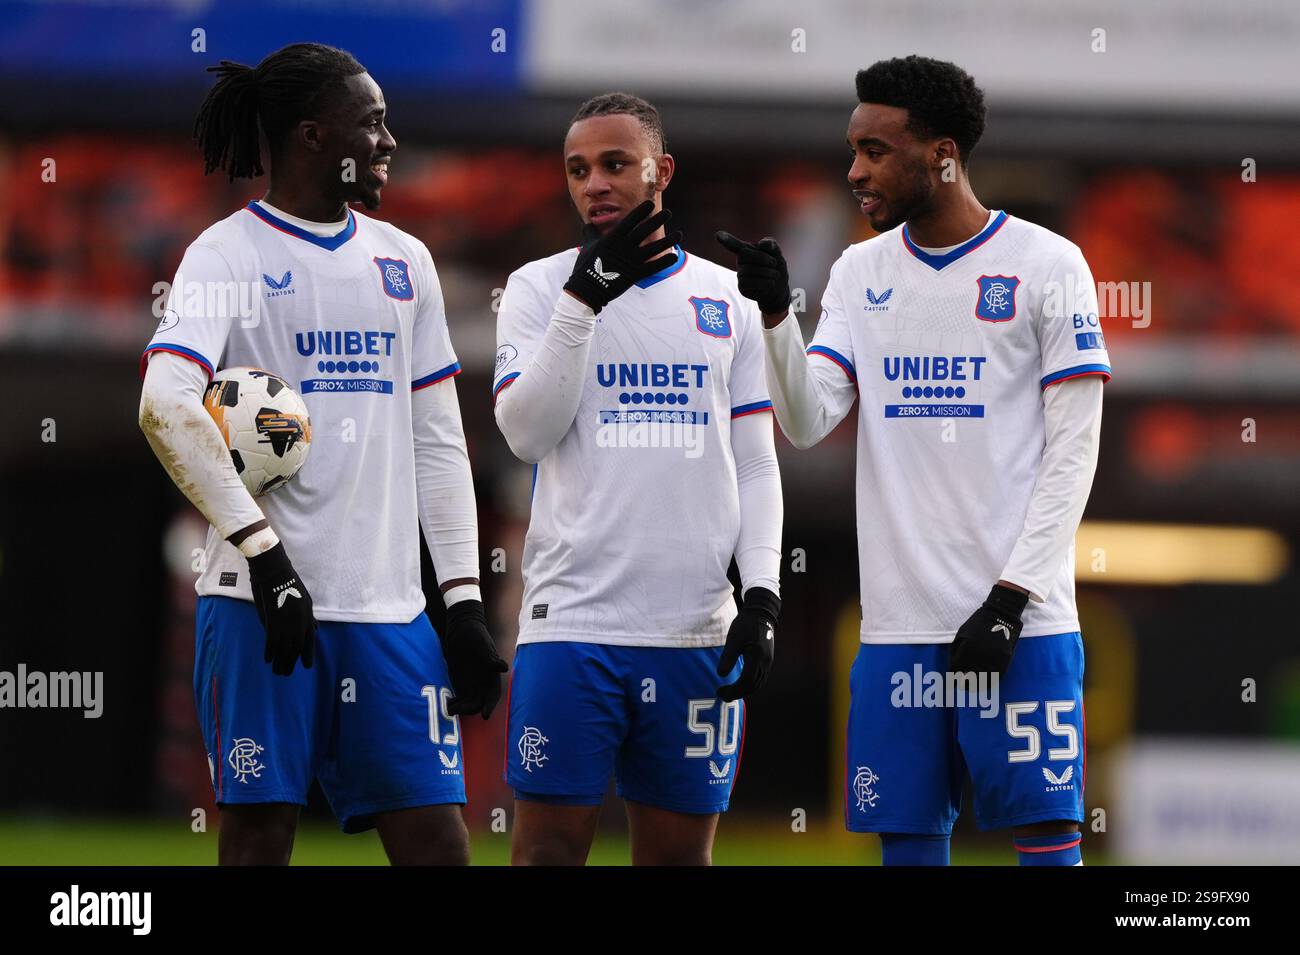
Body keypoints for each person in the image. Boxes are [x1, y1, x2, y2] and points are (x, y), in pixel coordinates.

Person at [717, 55, 1109, 867]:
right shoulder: (861, 273)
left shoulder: (1048, 265)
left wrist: (1010, 597)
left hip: (1021, 622)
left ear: (942, 155)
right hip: (898, 628)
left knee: (1043, 838)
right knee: (908, 842)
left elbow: (1075, 452)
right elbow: (806, 417)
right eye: (852, 149)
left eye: (874, 150)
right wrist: (775, 316)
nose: (854, 170)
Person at [138, 42, 505, 865]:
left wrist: (464, 603)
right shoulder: (225, 255)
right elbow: (164, 404)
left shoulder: (405, 262)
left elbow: (439, 440)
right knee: (259, 839)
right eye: (370, 124)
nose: (389, 141)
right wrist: (264, 557)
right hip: (258, 602)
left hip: (391, 614)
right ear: (311, 136)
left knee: (439, 845)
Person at [493, 92, 783, 866]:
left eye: (616, 164)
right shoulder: (536, 288)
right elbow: (526, 431)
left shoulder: (728, 298)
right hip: (572, 624)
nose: (594, 184)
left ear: (663, 170)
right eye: (578, 169)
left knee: (678, 858)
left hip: (693, 628)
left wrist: (760, 594)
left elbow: (756, 459)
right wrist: (584, 301)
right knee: (546, 852)